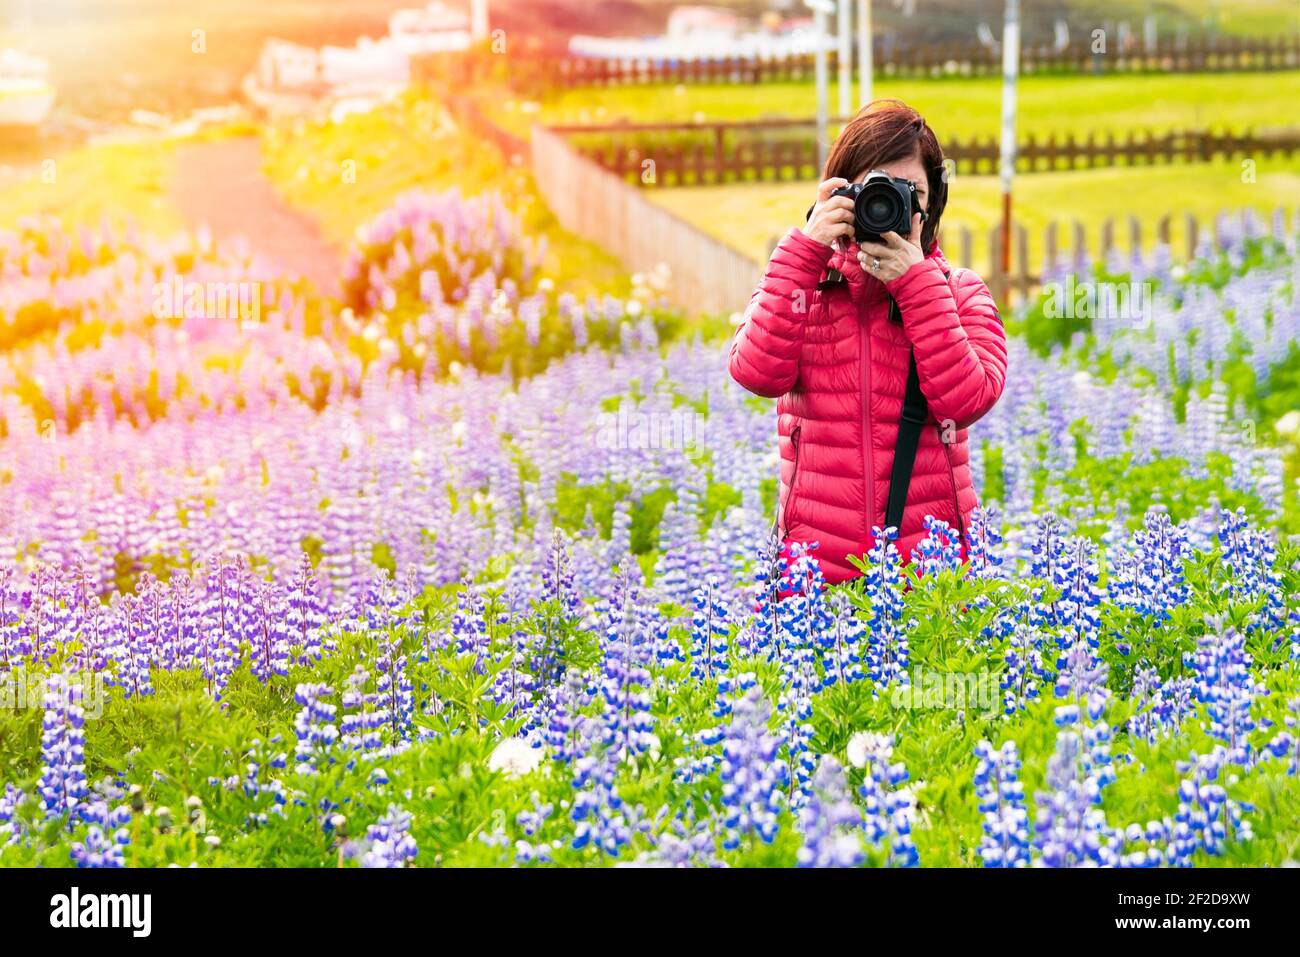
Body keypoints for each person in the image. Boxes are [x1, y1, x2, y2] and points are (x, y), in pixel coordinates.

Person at [728, 99, 1008, 584]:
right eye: (872, 189)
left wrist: (917, 285)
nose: (888, 206)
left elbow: (966, 400)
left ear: (932, 203)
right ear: (838, 192)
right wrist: (805, 251)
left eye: (909, 192)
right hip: (815, 582)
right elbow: (755, 371)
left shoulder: (960, 292)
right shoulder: (805, 291)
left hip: (931, 582)